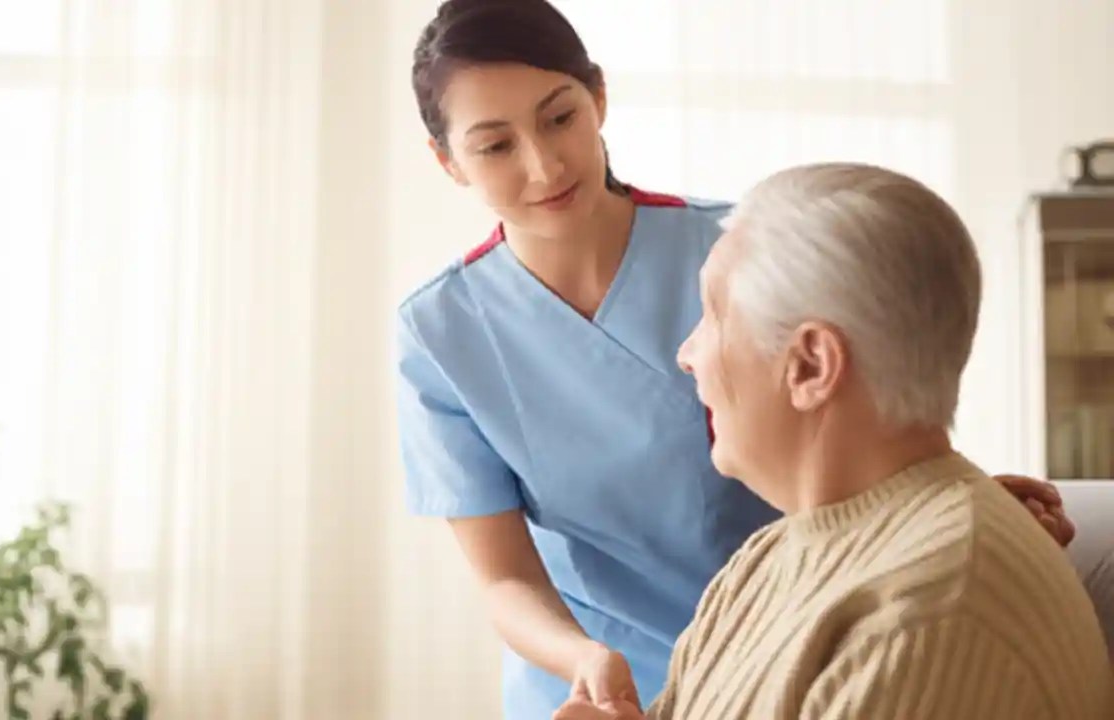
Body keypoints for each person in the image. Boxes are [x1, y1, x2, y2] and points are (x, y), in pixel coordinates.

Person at [395, 1, 1073, 716]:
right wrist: (587, 658)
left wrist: (940, 510)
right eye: (495, 146)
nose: (543, 163)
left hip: (791, 638)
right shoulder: (442, 332)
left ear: (597, 97)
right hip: (596, 690)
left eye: (559, 117)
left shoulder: (741, 250)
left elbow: (868, 420)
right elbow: (504, 578)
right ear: (448, 161)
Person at [551, 163, 1113, 720]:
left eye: (713, 318)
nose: (687, 355)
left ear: (810, 365)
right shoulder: (768, 558)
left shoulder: (931, 618)